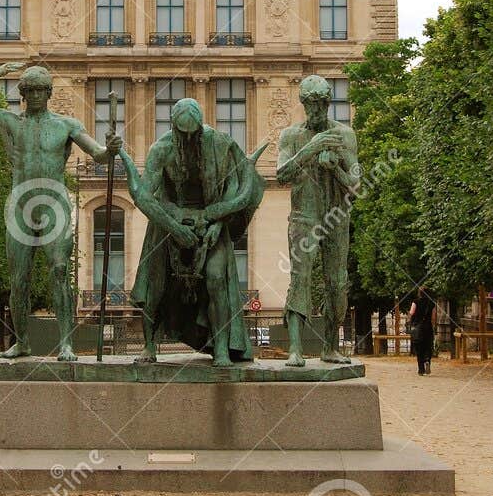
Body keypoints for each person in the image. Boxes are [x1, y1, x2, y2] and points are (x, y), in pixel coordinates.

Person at [0, 61, 120, 361]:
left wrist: (110, 149)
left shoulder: (67, 125)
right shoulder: (11, 121)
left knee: (59, 270)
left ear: (49, 93)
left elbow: (98, 153)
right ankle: (22, 342)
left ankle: (66, 344)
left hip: (54, 204)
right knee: (18, 278)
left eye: (40, 90)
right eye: (29, 90)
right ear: (22, 93)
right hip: (20, 205)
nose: (35, 95)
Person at [119, 98, 265, 367]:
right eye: (182, 134)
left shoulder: (220, 144)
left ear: (200, 127)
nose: (188, 140)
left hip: (211, 220)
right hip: (168, 220)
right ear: (173, 128)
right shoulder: (161, 149)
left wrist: (217, 223)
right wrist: (174, 227)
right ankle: (149, 346)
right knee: (154, 284)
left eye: (193, 134)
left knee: (216, 277)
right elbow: (145, 195)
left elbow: (234, 189)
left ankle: (221, 348)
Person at [277, 75, 360, 366]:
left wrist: (336, 167)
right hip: (304, 215)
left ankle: (330, 347)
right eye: (311, 105)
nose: (316, 110)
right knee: (300, 279)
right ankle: (295, 349)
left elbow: (356, 185)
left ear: (328, 104)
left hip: (337, 216)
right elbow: (281, 174)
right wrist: (311, 148)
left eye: (322, 104)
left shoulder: (345, 135)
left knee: (337, 283)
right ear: (303, 104)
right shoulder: (290, 135)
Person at [408, 286, 436, 375]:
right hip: (428, 327)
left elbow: (412, 312)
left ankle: (421, 370)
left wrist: (411, 321)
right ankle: (427, 360)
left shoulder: (415, 302)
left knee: (419, 348)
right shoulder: (432, 303)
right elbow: (433, 317)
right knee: (428, 346)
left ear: (419, 293)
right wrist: (432, 326)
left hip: (418, 327)